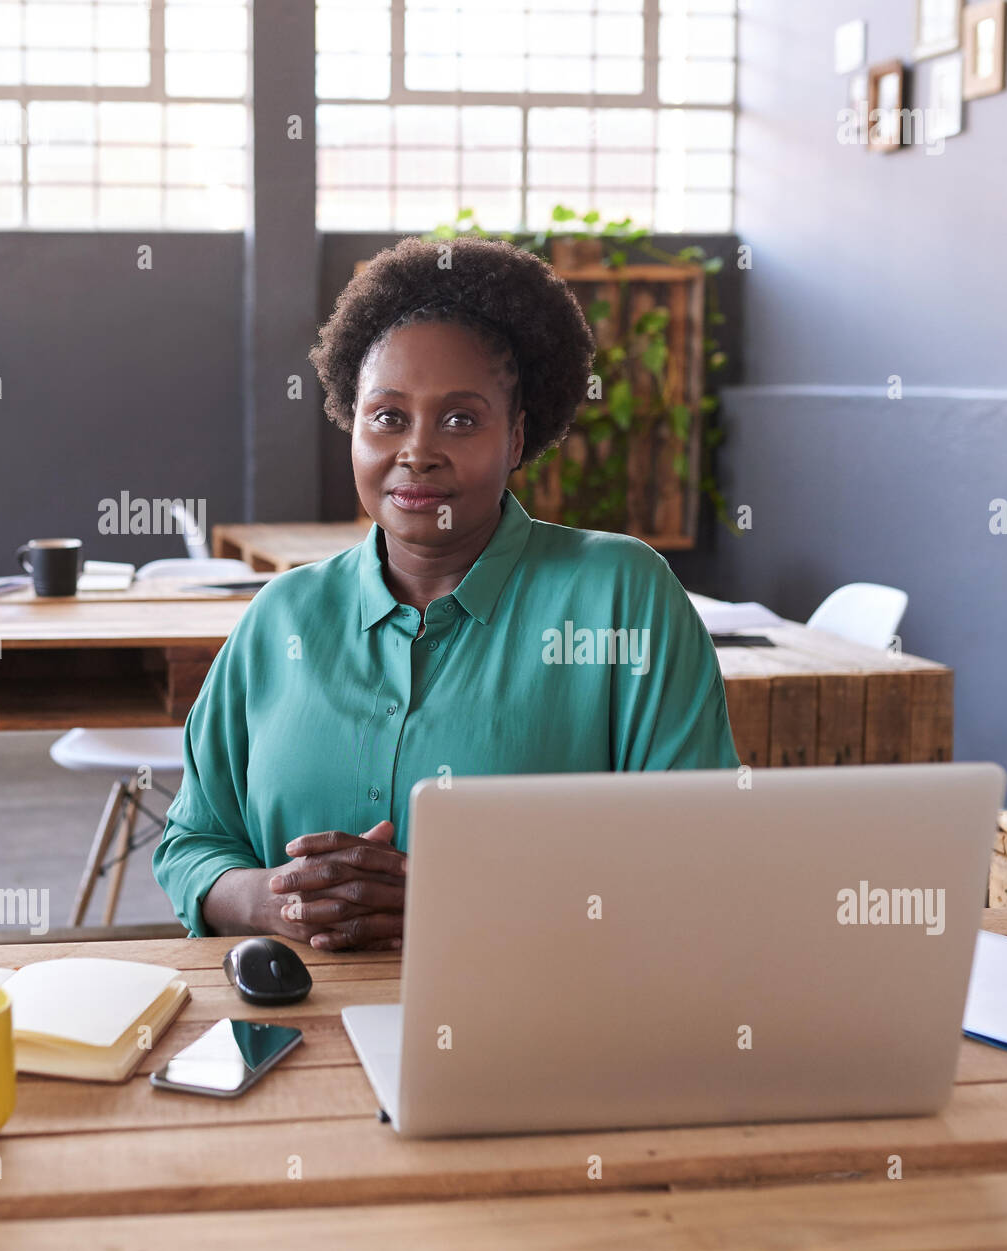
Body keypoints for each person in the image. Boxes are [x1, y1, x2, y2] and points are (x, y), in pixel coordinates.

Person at [153, 236, 738, 948]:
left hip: (537, 1027)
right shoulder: (283, 615)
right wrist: (279, 901)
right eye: (388, 417)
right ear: (354, 426)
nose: (417, 450)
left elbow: (698, 855)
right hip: (291, 1021)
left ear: (517, 439)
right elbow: (192, 843)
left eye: (460, 419)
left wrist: (462, 903)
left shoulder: (621, 596)